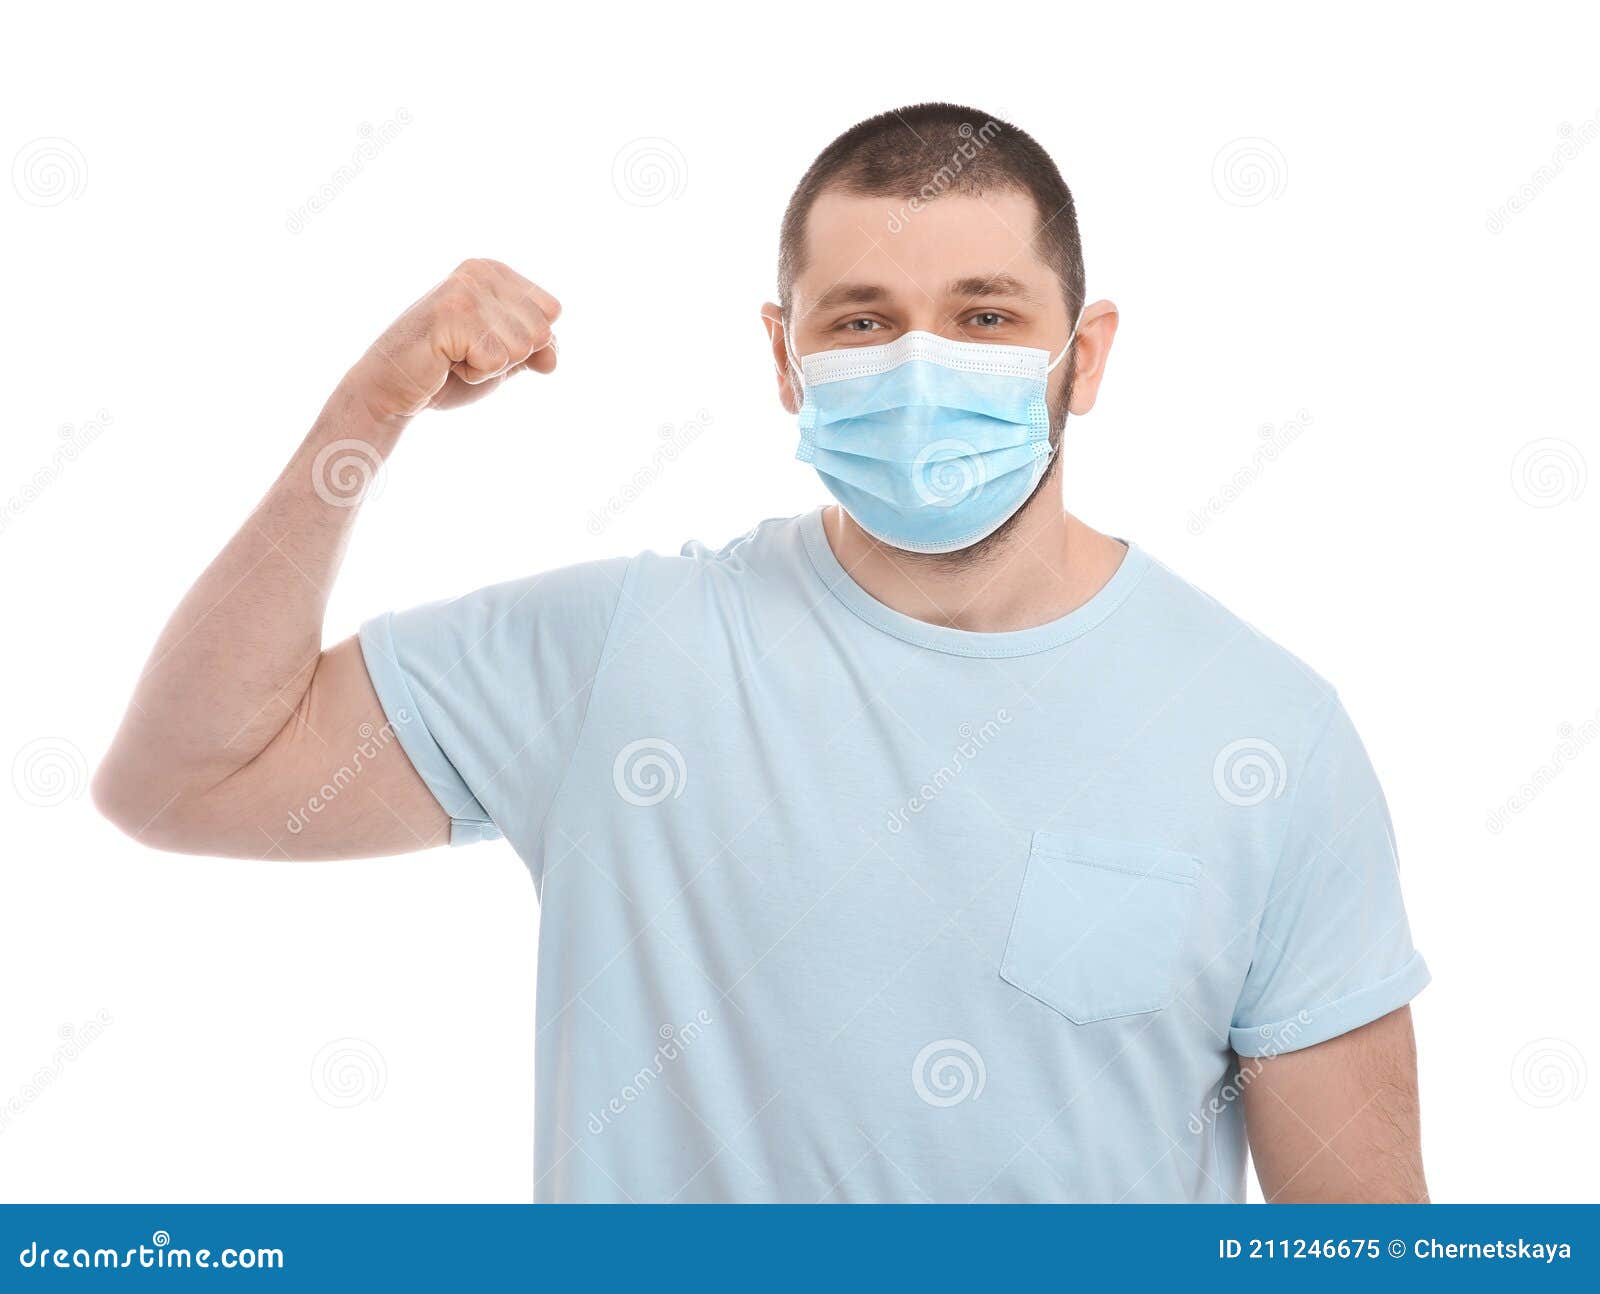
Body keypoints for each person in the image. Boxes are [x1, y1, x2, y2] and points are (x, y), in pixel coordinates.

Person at [93, 102, 1429, 1203]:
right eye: (861, 320)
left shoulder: (1263, 732)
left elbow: (1368, 1247)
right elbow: (183, 779)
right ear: (784, 359)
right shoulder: (622, 659)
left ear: (1085, 357)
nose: (920, 365)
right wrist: (371, 405)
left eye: (984, 316)